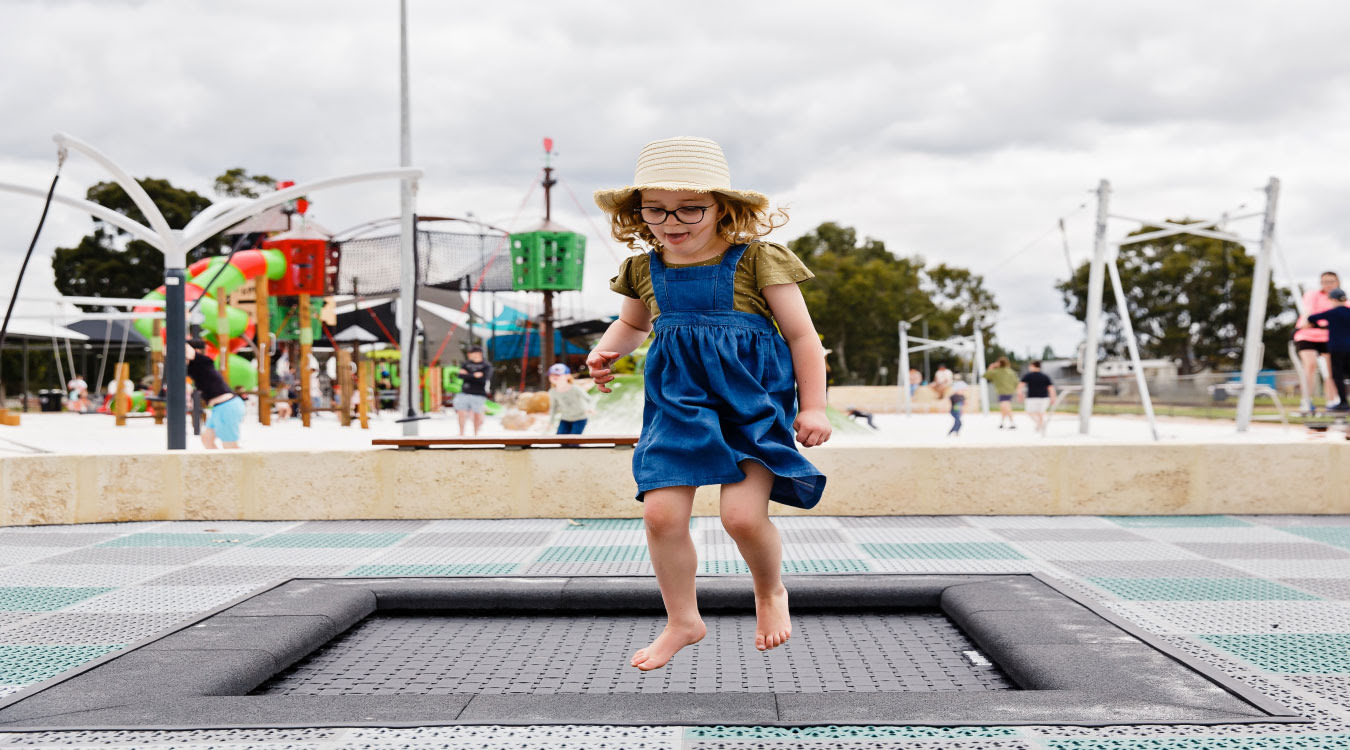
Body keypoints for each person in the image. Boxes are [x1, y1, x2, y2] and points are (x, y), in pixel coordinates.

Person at [588, 136, 829, 671]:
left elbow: (802, 337)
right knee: (660, 515)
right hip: (678, 406)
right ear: (639, 211)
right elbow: (632, 323)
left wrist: (812, 407)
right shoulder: (644, 268)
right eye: (656, 209)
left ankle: (769, 592)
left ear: (723, 208)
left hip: (750, 405)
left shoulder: (757, 260)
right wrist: (605, 351)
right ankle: (683, 620)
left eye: (690, 208)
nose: (672, 221)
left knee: (742, 518)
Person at [1294, 271, 1341, 413]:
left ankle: (1333, 401)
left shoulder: (1341, 300)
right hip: (1307, 335)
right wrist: (1307, 321)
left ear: (1337, 282)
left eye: (1331, 281)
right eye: (1325, 282)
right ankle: (1306, 401)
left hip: (1328, 337)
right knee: (1311, 365)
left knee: (1330, 371)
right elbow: (1307, 312)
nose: (1328, 284)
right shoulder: (1312, 295)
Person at [185, 339, 245, 449]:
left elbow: (188, 350)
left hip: (227, 406)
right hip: (219, 408)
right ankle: (220, 465)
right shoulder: (192, 368)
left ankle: (242, 466)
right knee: (206, 439)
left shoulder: (204, 362)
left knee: (230, 445)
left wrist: (180, 341)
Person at [1307, 288, 1350, 413]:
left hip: (1337, 348)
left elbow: (1312, 318)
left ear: (1333, 300)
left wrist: (1320, 325)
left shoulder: (1332, 313)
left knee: (1338, 376)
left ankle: (1343, 402)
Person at [544, 363, 595, 434]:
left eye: (558, 374)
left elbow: (588, 399)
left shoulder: (575, 388)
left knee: (573, 441)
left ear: (567, 376)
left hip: (580, 419)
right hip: (565, 419)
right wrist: (551, 422)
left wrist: (590, 408)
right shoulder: (552, 392)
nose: (554, 377)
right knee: (560, 440)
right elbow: (553, 407)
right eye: (552, 375)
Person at [453, 345, 493, 435]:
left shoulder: (486, 365)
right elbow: (460, 375)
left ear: (479, 353)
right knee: (461, 412)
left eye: (472, 353)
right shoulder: (466, 364)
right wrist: (474, 375)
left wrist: (468, 375)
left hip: (479, 393)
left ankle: (476, 434)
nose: (469, 355)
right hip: (464, 392)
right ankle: (461, 433)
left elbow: (484, 378)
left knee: (477, 414)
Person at [1018, 360, 1056, 435]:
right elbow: (1051, 388)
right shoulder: (1045, 376)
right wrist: (1053, 398)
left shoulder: (1028, 375)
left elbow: (1020, 386)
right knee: (1040, 413)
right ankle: (1040, 425)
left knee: (1030, 412)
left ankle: (1039, 424)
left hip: (1032, 398)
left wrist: (1020, 395)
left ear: (1033, 366)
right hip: (1044, 398)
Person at [984, 356, 1020, 429]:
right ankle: (1002, 423)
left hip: (1002, 392)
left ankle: (1012, 422)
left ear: (999, 363)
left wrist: (991, 367)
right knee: (1004, 407)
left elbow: (985, 376)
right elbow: (1016, 382)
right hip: (1010, 391)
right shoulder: (1010, 371)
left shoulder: (996, 372)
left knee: (1006, 406)